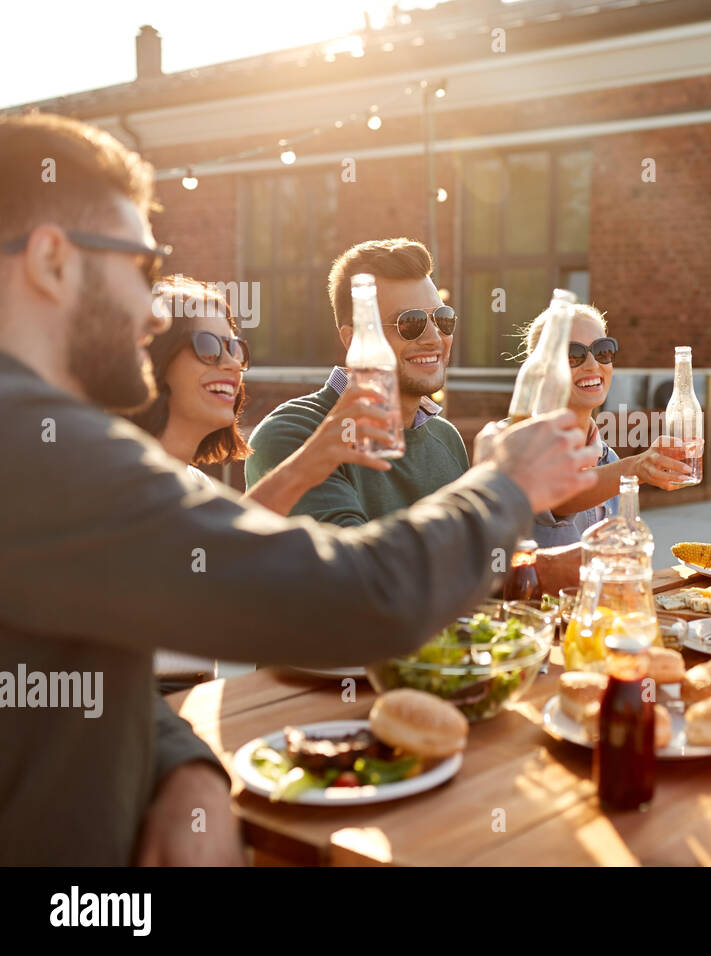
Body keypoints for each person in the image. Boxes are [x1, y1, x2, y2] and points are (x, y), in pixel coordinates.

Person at [0, 112, 598, 865]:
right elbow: (354, 599)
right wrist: (504, 484)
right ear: (52, 261)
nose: (156, 313)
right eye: (143, 269)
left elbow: (93, 664)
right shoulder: (43, 452)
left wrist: (183, 769)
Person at [127, 275, 400, 686]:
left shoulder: (196, 484)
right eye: (208, 346)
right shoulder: (113, 477)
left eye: (236, 347)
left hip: (190, 710)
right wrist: (312, 457)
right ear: (152, 358)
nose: (232, 363)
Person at [243, 238, 468, 525]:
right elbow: (354, 562)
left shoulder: (446, 438)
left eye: (443, 319)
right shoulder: (294, 435)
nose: (434, 338)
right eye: (410, 323)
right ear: (354, 339)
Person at [519, 304, 694, 546]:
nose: (592, 365)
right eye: (573, 355)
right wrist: (638, 467)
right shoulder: (516, 444)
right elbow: (560, 496)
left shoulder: (609, 460)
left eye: (602, 351)